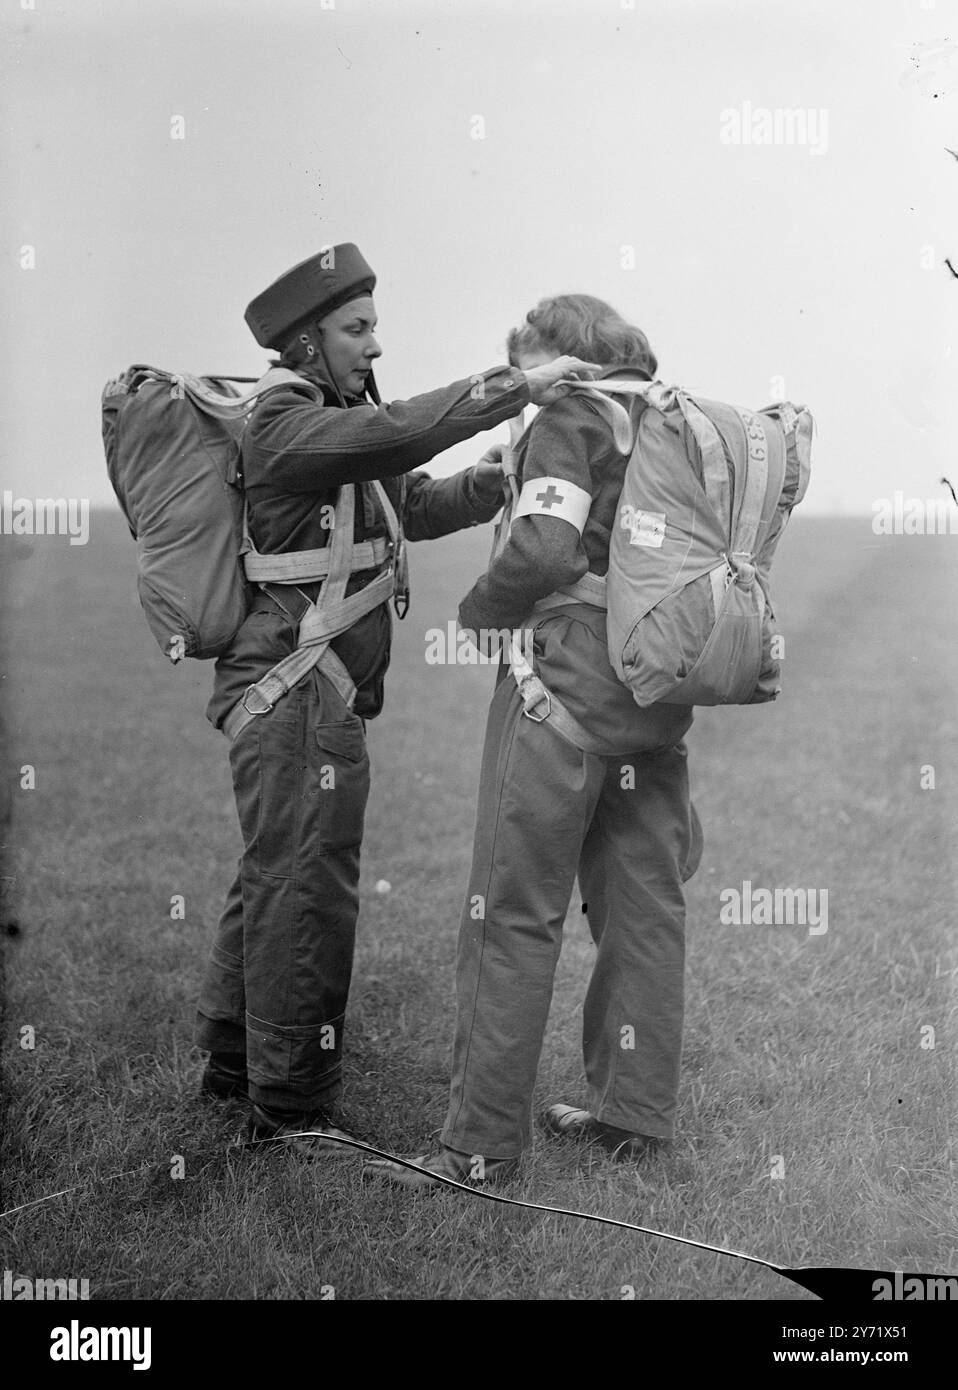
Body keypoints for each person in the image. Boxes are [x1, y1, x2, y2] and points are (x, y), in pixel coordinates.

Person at [193, 247, 596, 1155]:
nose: (375, 346)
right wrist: (516, 387)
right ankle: (290, 1107)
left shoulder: (341, 418)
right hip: (296, 689)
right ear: (305, 344)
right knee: (308, 885)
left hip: (313, 692)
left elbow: (404, 499)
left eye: (374, 326)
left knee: (275, 872)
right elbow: (399, 437)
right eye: (357, 329)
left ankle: (230, 1064)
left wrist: (483, 486)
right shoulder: (282, 421)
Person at [368, 293, 704, 1189]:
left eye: (528, 366)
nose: (524, 389)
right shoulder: (669, 426)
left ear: (564, 357)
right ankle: (635, 1116)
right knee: (644, 908)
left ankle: (474, 1148)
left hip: (562, 688)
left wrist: (483, 608)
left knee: (511, 913)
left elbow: (548, 550)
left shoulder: (568, 419)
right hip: (657, 697)